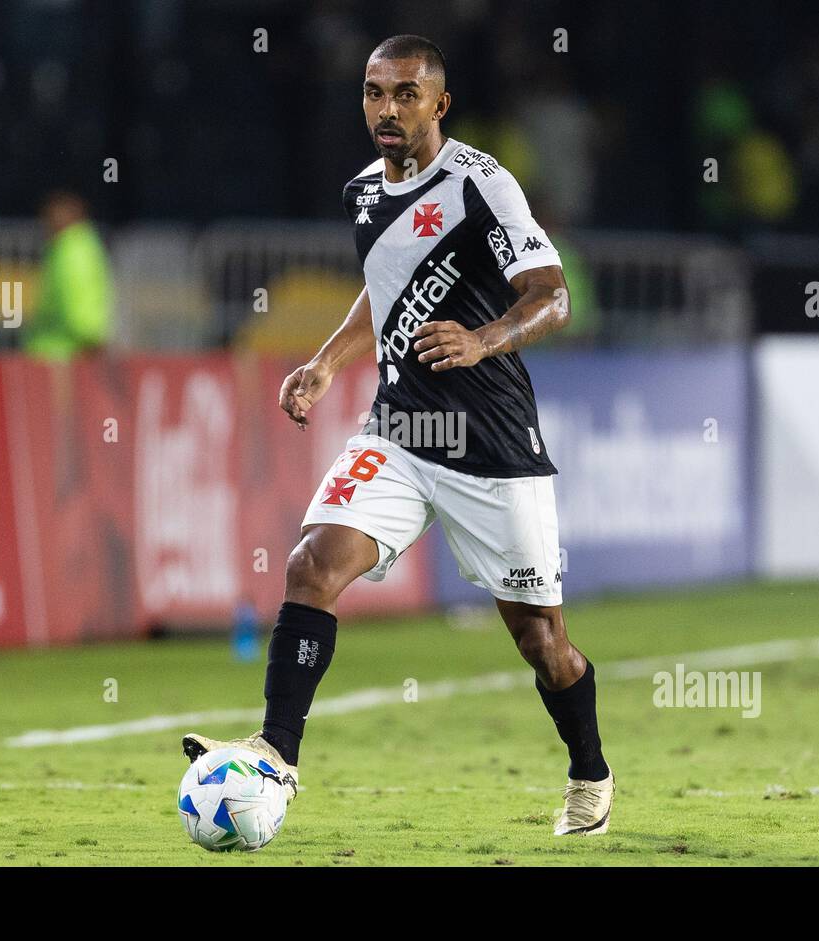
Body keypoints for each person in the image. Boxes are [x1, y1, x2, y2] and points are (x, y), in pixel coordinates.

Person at [184, 35, 614, 836]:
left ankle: (589, 770)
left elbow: (553, 297)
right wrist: (321, 363)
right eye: (376, 92)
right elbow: (381, 295)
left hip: (490, 442)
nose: (388, 108)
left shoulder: (483, 185)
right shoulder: (361, 193)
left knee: (542, 642)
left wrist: (483, 339)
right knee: (311, 565)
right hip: (402, 429)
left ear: (439, 104)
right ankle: (277, 753)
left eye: (407, 94)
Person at [24, 190, 113, 359]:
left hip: (66, 354)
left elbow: (79, 294)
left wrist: (90, 336)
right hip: (59, 350)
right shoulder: (67, 247)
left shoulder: (73, 250)